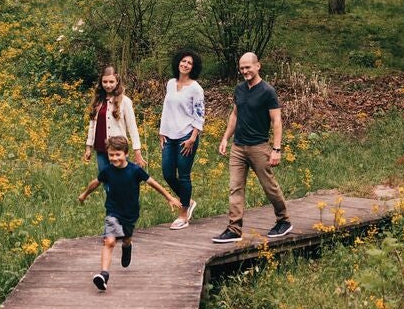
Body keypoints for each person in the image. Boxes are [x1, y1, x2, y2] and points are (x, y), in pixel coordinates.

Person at [78, 135, 180, 291]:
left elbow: (153, 183)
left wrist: (169, 197)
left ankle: (127, 246)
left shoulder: (135, 170)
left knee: (126, 239)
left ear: (125, 154)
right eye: (111, 155)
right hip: (113, 211)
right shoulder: (108, 171)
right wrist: (85, 194)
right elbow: (96, 183)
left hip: (130, 213)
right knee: (110, 241)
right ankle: (104, 275)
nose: (114, 158)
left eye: (117, 154)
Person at [212, 52, 293, 243]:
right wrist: (225, 138)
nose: (245, 71)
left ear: (258, 66)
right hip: (238, 148)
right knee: (235, 188)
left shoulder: (267, 91)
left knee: (269, 187)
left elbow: (277, 121)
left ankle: (284, 220)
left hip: (259, 147)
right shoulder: (239, 89)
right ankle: (234, 229)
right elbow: (234, 115)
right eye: (241, 68)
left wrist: (276, 149)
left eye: (248, 67)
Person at [159, 51, 205, 230]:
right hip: (169, 136)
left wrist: (193, 138)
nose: (185, 65)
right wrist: (162, 131)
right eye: (183, 61)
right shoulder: (171, 83)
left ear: (193, 68)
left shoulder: (195, 88)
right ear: (178, 63)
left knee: (183, 175)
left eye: (189, 63)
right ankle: (189, 201)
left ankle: (184, 214)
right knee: (167, 173)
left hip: (187, 136)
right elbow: (166, 109)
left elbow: (199, 114)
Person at [83, 65, 145, 175]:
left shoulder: (125, 101)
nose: (108, 85)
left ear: (117, 82)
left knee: (119, 181)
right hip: (101, 149)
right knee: (106, 181)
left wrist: (137, 151)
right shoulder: (98, 101)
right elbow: (92, 125)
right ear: (101, 82)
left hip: (117, 150)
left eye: (111, 82)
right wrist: (88, 147)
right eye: (105, 82)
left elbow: (132, 127)